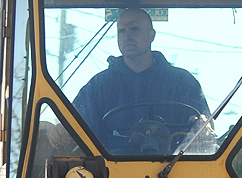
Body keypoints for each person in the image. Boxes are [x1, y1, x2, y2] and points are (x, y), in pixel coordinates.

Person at [72, 8, 209, 149]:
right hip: (111, 169)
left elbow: (203, 132)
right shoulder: (99, 86)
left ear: (151, 35)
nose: (126, 36)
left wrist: (203, 130)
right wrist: (58, 130)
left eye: (134, 29)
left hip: (175, 169)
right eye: (121, 31)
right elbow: (74, 127)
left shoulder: (182, 83)